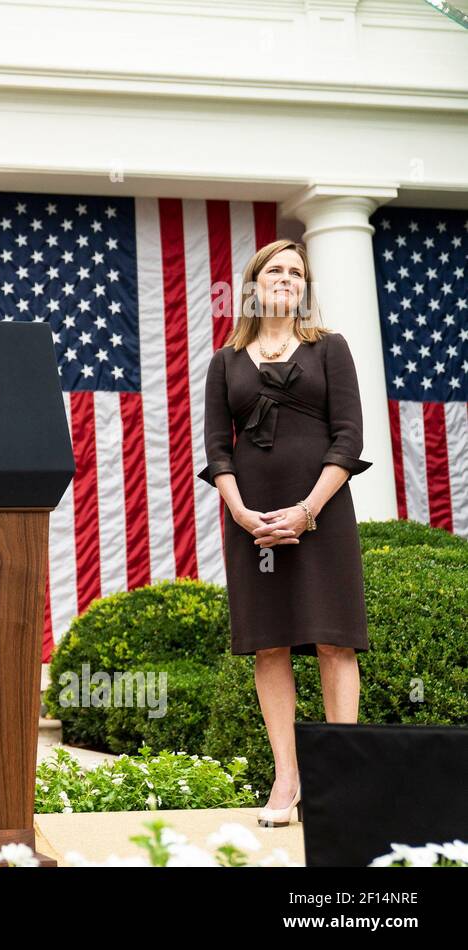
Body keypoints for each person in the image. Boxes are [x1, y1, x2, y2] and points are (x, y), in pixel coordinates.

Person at [197, 238, 370, 828]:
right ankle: (288, 779)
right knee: (270, 644)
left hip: (321, 514)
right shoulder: (226, 361)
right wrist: (244, 514)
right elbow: (218, 449)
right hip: (253, 521)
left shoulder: (331, 349)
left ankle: (341, 779)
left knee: (332, 639)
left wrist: (308, 509)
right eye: (277, 270)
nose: (288, 279)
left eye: (297, 272)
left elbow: (349, 437)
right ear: (254, 283)